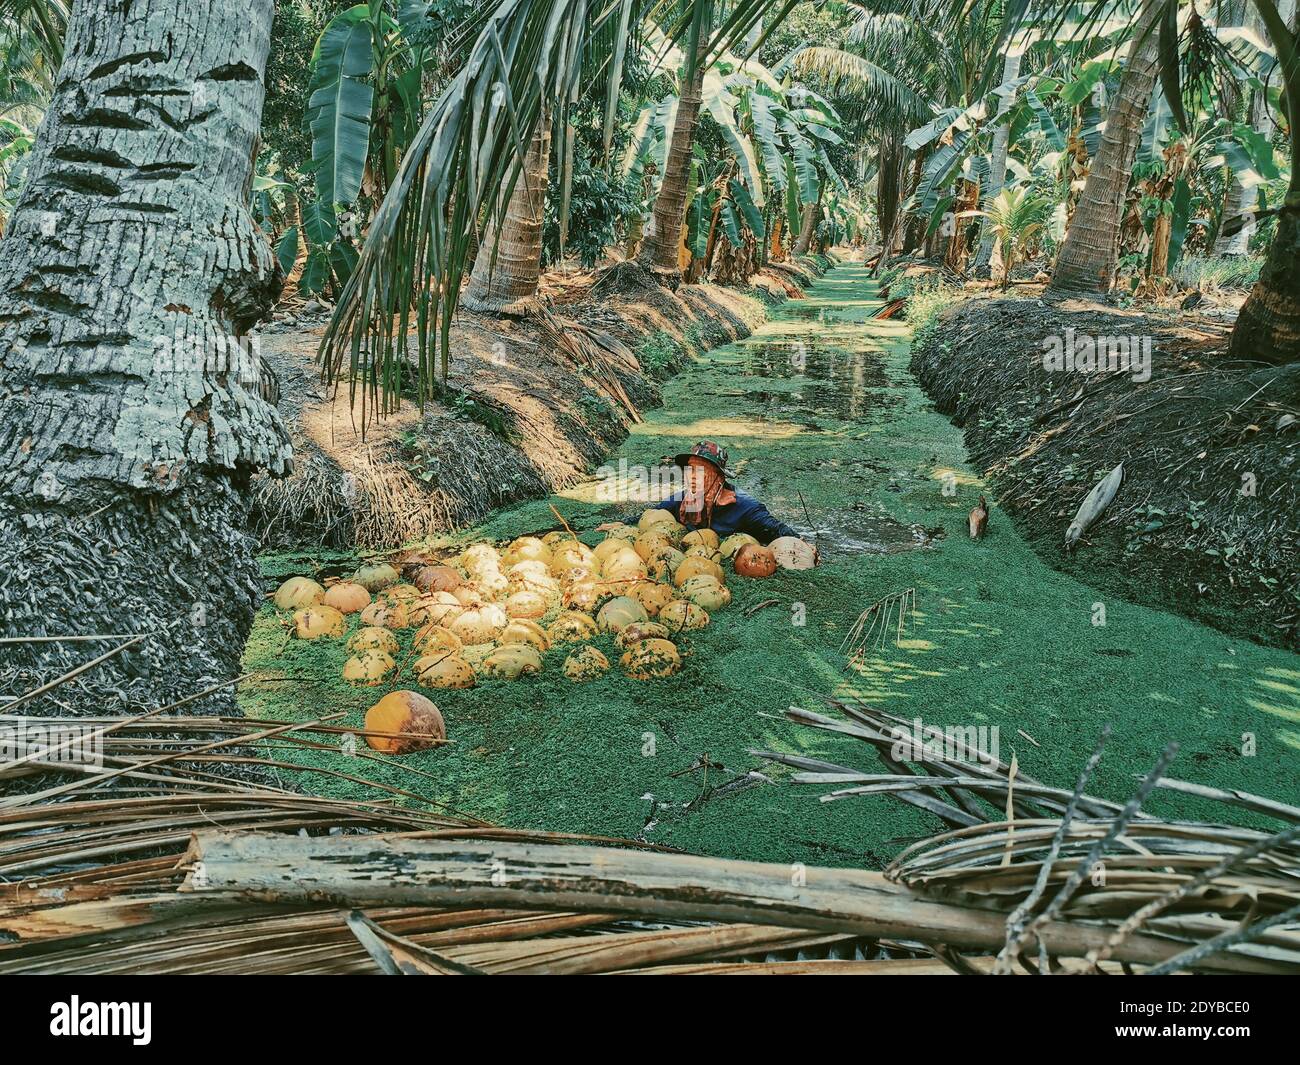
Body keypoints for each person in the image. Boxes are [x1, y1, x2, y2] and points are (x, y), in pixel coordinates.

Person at [649, 440, 812, 548]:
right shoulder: (682, 499)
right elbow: (650, 516)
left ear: (717, 476)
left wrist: (804, 546)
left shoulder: (745, 507)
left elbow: (776, 529)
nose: (691, 476)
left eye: (700, 471)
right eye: (689, 469)